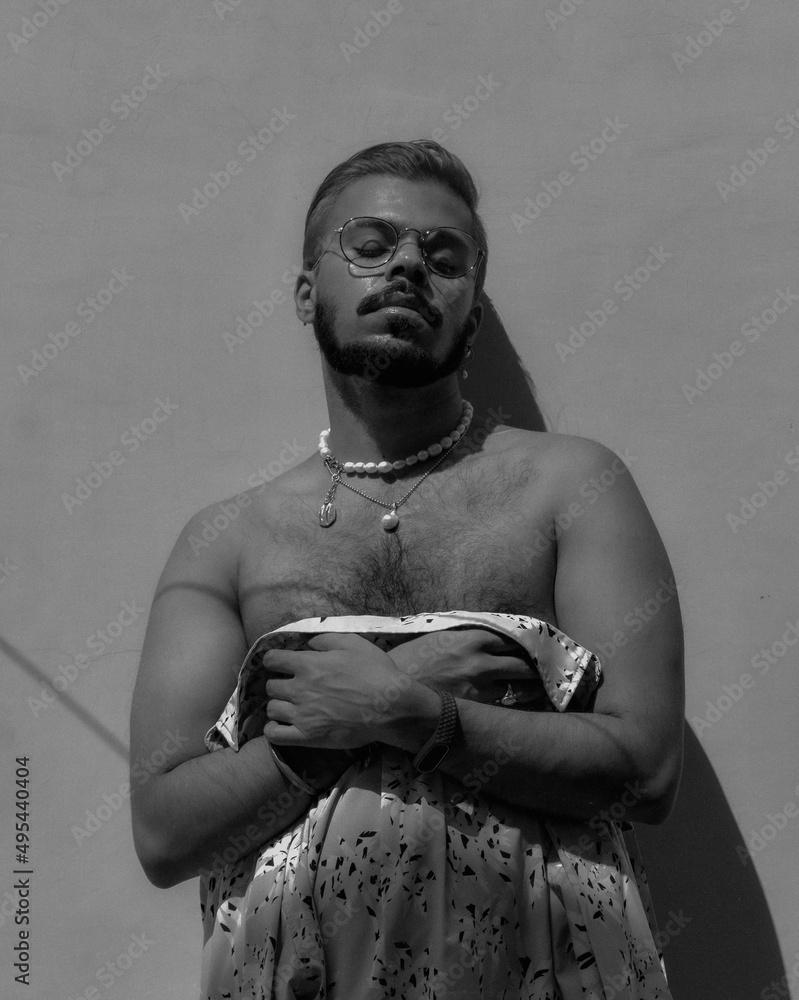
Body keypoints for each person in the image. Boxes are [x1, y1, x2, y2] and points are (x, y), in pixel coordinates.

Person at [130, 139, 684, 999]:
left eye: (444, 256)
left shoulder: (570, 487)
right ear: (307, 289)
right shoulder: (228, 540)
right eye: (370, 243)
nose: (408, 269)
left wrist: (411, 711)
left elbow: (644, 772)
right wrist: (358, 720)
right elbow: (165, 834)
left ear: (470, 307)